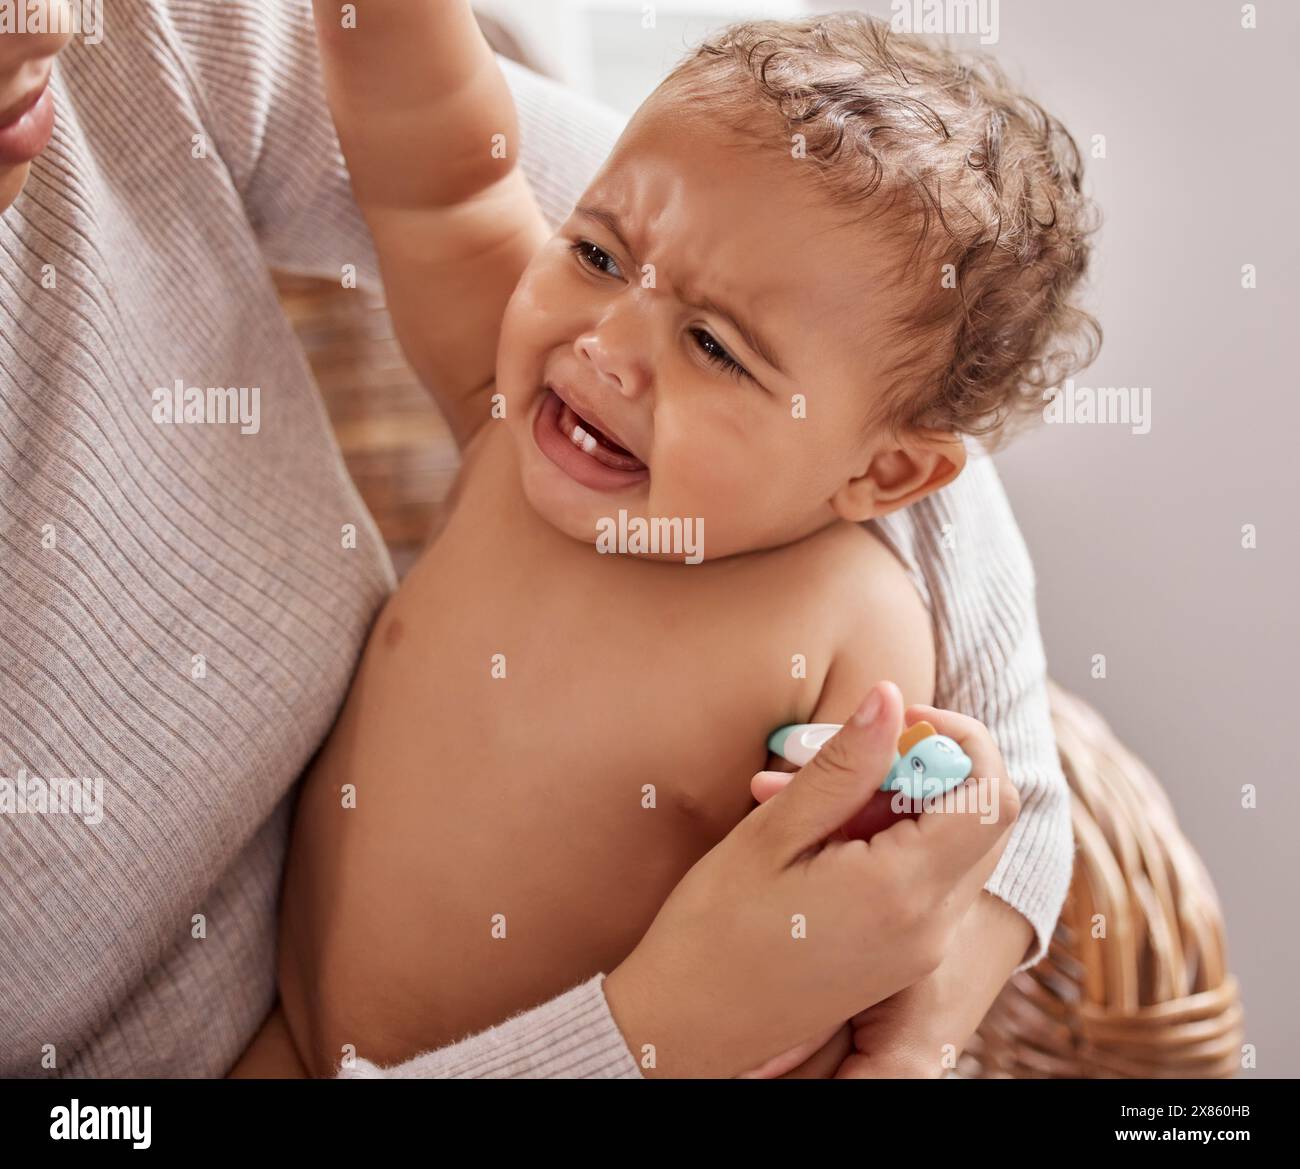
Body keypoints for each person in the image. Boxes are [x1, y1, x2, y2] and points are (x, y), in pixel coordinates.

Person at [0, 0, 1070, 1078]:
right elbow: (443, 178)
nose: (605, 345)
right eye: (599, 254)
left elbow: (839, 957)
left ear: (885, 473)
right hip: (274, 1035)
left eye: (711, 344)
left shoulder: (844, 632)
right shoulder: (522, 425)